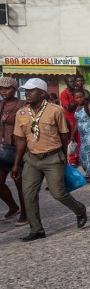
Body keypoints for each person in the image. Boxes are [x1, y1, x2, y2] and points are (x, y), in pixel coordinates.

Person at [11, 78, 87, 241]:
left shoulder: (55, 110)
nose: (27, 93)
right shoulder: (22, 113)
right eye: (26, 90)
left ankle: (80, 209)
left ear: (42, 92)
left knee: (58, 193)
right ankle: (36, 230)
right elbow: (21, 140)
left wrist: (63, 158)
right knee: (28, 195)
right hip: (32, 159)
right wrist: (16, 164)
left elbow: (63, 135)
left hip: (52, 157)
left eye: (32, 90)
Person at [0, 77, 27, 225]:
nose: (4, 91)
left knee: (19, 183)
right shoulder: (1, 105)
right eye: (1, 88)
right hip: (2, 149)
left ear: (15, 89)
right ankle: (13, 207)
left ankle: (25, 213)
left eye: (7, 88)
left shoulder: (22, 105)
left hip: (18, 149)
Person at [60, 76, 80, 167]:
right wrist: (78, 103)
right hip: (70, 120)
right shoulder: (64, 94)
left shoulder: (77, 91)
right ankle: (72, 159)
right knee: (71, 140)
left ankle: (79, 158)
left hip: (79, 118)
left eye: (73, 81)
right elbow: (68, 107)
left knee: (80, 140)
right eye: (70, 81)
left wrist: (73, 104)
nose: (72, 83)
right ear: (66, 83)